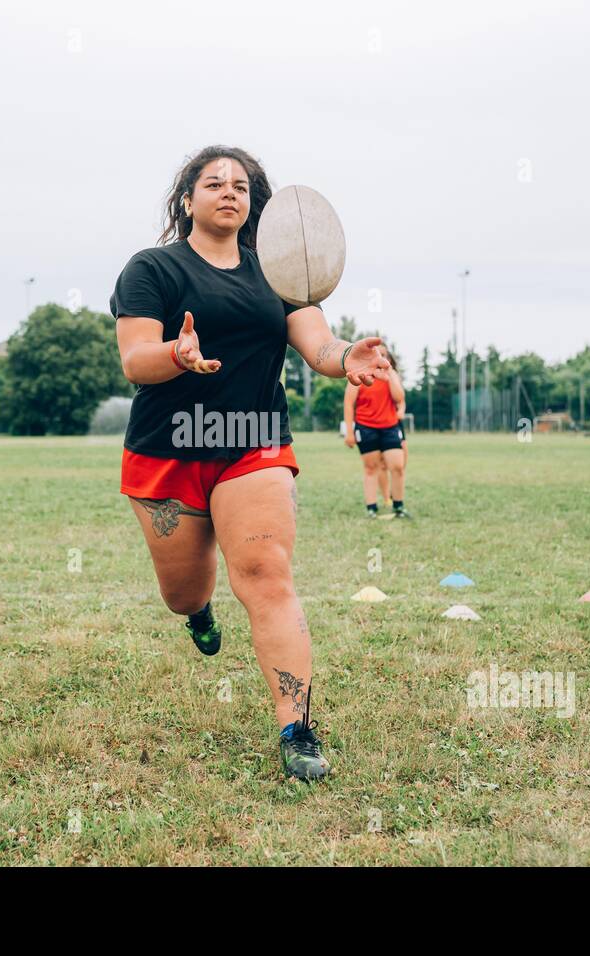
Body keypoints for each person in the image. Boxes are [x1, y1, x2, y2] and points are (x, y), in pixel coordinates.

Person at [110, 145, 388, 781]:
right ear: (188, 200)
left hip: (253, 441)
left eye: (240, 185)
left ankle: (297, 728)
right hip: (166, 451)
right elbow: (134, 360)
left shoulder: (280, 272)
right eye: (213, 183)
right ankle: (198, 613)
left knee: (265, 573)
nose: (228, 192)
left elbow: (316, 342)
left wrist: (348, 356)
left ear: (253, 203)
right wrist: (175, 355)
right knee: (182, 592)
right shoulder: (151, 268)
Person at [344, 345, 409, 518]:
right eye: (377, 354)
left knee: (398, 467)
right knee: (371, 468)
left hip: (390, 427)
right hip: (366, 427)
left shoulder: (391, 375)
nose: (380, 357)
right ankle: (371, 508)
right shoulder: (360, 374)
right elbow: (349, 403)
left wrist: (390, 376)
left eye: (384, 355)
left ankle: (399, 507)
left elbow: (399, 398)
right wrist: (349, 432)